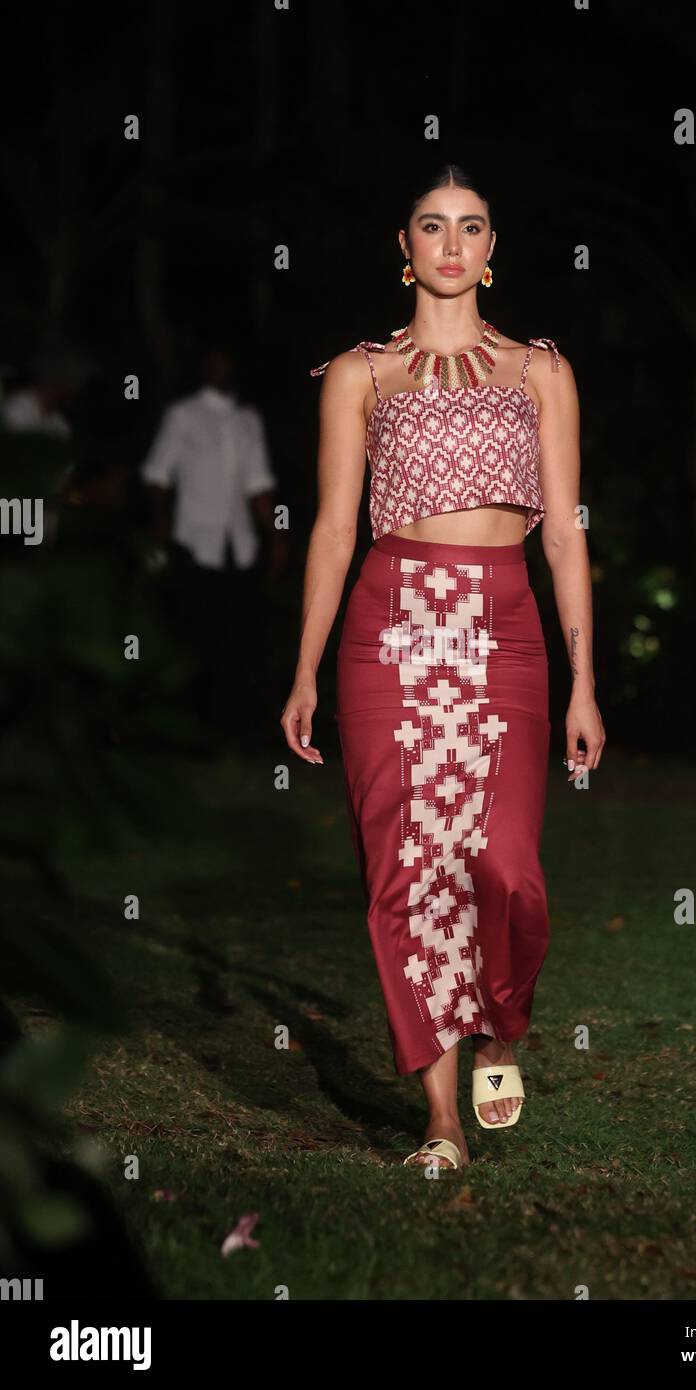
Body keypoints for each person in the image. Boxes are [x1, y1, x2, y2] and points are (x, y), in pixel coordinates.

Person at [280, 164, 605, 1171]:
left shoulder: (539, 372)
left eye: (471, 226)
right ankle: (439, 1117)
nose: (452, 243)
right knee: (405, 868)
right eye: (433, 226)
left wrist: (584, 680)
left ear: (491, 251)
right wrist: (302, 673)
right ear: (405, 247)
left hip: (502, 628)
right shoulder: (357, 375)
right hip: (388, 625)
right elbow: (333, 529)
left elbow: (561, 536)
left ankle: (500, 1025)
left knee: (503, 865)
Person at [141, 345, 285, 744]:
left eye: (226, 360)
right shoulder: (183, 415)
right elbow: (156, 473)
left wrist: (275, 537)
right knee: (193, 635)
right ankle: (185, 732)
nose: (220, 366)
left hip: (238, 545)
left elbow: (258, 484)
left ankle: (231, 731)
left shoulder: (247, 419)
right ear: (203, 366)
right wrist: (161, 518)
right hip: (193, 540)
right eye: (213, 360)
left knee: (238, 638)